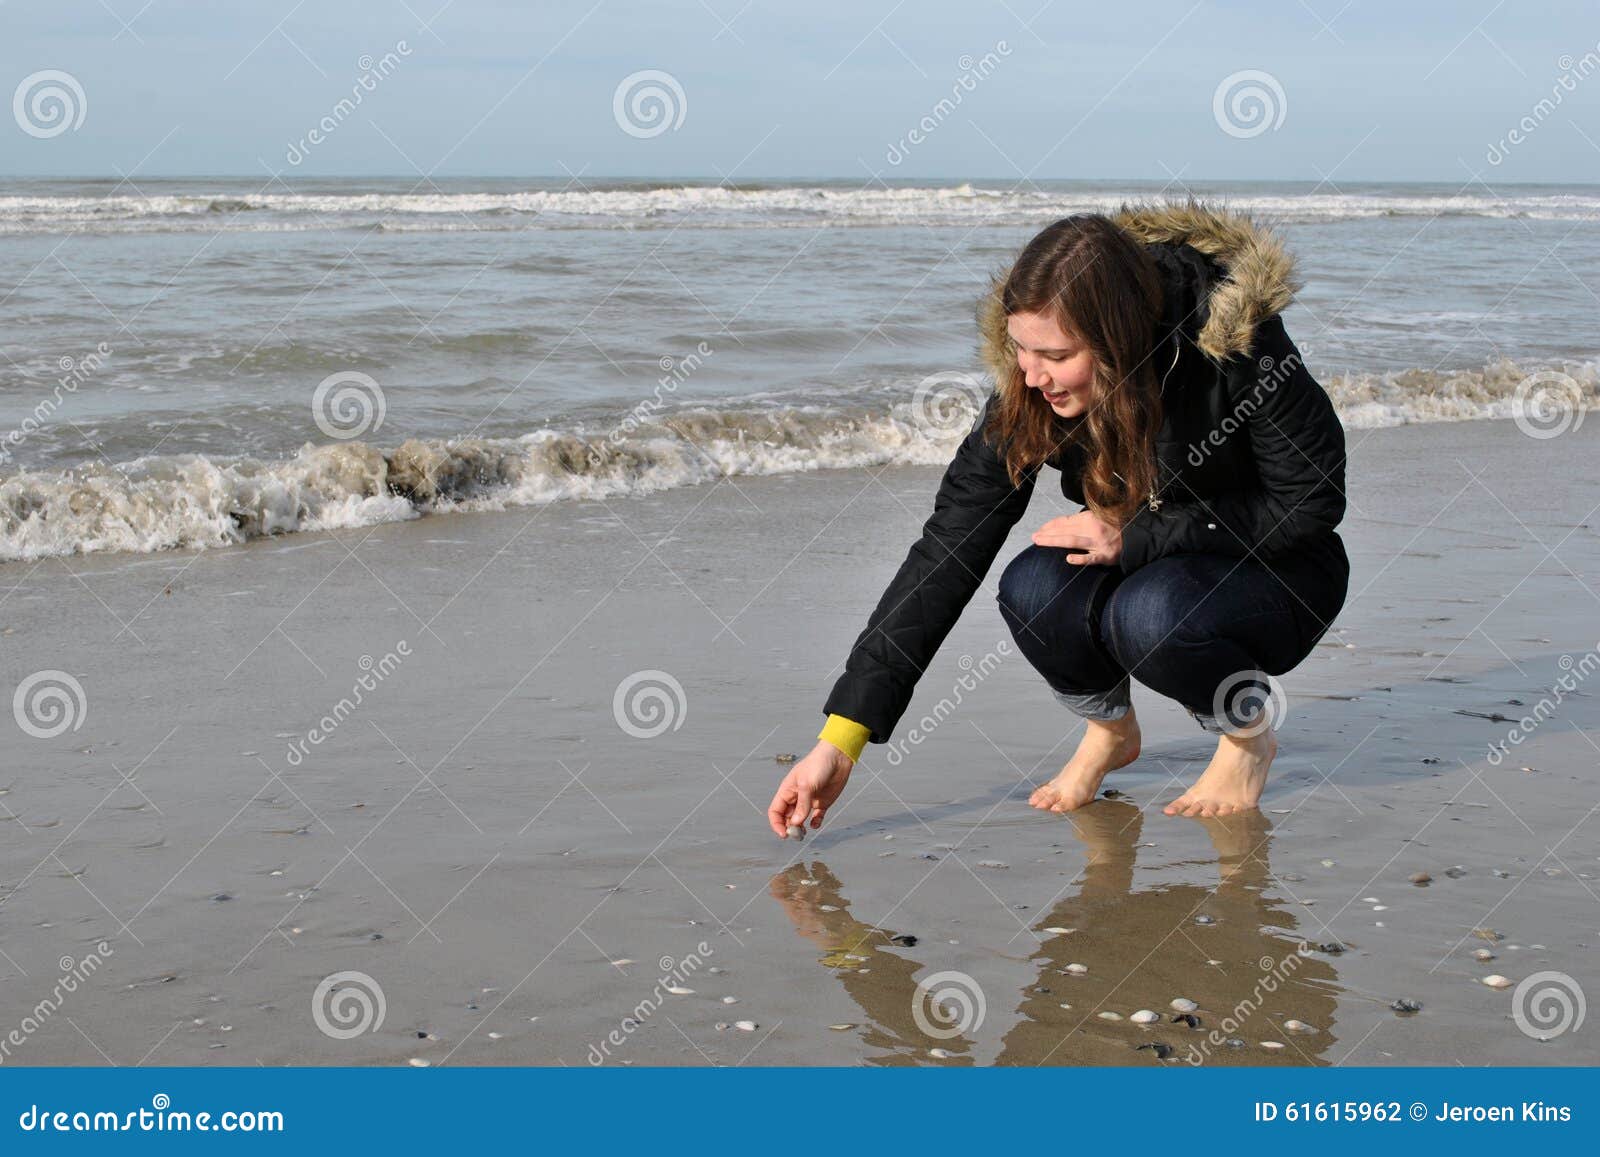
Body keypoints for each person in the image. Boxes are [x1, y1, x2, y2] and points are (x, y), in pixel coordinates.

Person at [765, 199, 1350, 836]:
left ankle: (1245, 739)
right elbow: (952, 542)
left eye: (1057, 354)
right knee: (1033, 587)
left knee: (1150, 613)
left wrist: (1139, 536)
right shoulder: (1031, 383)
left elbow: (1311, 502)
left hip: (1275, 568)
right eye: (1021, 348)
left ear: (1119, 337)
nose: (1034, 374)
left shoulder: (1239, 344)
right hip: (1151, 558)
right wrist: (841, 738)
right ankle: (1110, 731)